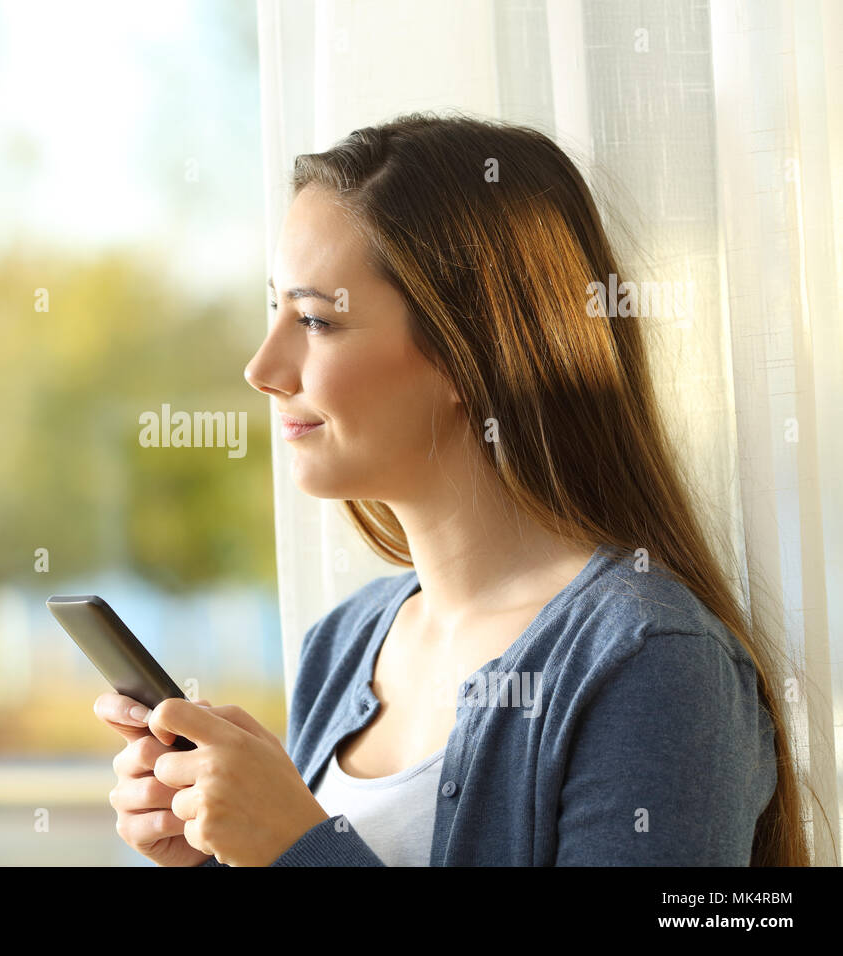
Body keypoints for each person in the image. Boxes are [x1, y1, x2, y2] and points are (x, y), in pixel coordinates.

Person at [94, 112, 818, 866]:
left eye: (314, 319)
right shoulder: (343, 644)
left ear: (464, 350)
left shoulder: (654, 665)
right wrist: (219, 851)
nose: (262, 367)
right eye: (273, 309)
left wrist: (298, 848)